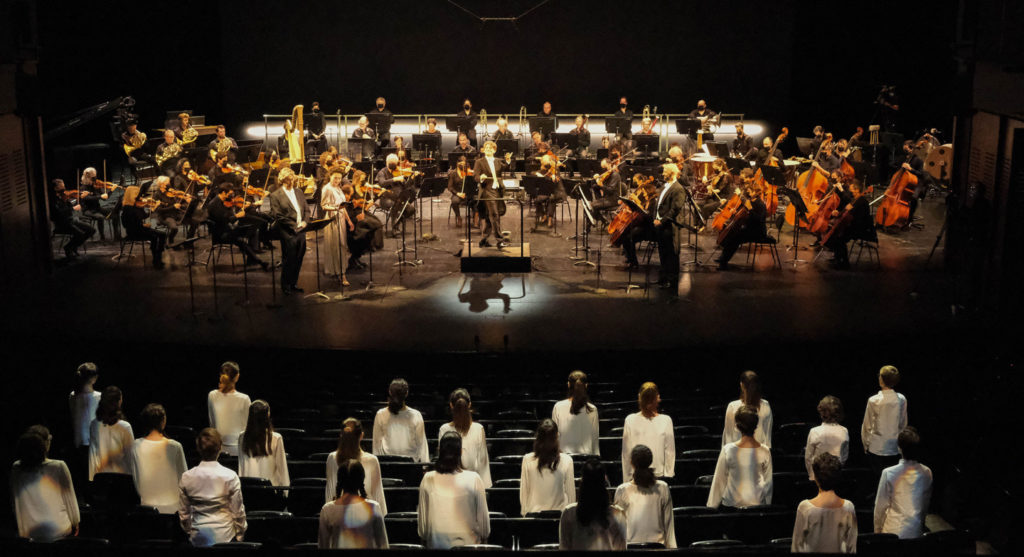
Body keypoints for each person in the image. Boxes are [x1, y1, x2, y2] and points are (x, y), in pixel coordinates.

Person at [417, 431, 490, 549]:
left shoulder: (428, 478)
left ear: (439, 450)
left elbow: (423, 530)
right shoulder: (474, 478)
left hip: (437, 546)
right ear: (461, 452)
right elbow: (484, 528)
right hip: (468, 547)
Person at [178, 428, 247, 546]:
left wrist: (191, 531)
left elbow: (184, 515)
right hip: (226, 536)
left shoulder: (186, 477)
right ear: (220, 447)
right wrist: (240, 535)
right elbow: (238, 512)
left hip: (198, 537)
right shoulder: (230, 476)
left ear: (199, 448)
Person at [10, 426, 80, 542]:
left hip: (27, 534)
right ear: (46, 444)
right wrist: (75, 521)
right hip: (57, 534)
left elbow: (14, 501)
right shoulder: (58, 466)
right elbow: (69, 499)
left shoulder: (16, 468)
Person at [707, 405, 773, 509]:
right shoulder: (765, 451)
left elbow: (719, 480)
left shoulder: (728, 450)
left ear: (737, 426)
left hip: (732, 506)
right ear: (756, 426)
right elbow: (768, 483)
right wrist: (767, 506)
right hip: (756, 506)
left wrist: (712, 506)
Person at [791, 453, 858, 553]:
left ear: (816, 478)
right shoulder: (848, 507)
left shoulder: (804, 507)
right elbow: (852, 546)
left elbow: (796, 546)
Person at [874, 427, 932, 539]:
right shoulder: (927, 472)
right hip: (916, 531)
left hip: (893, 532)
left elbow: (880, 507)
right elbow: (925, 504)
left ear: (899, 448)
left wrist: (877, 531)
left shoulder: (888, 473)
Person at [614, 445, 676, 548]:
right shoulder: (663, 488)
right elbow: (669, 528)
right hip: (654, 549)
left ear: (632, 463)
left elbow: (618, 530)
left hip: (635, 549)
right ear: (650, 461)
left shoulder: (622, 490)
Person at [319, 459, 389, 549]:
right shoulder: (374, 507)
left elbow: (323, 545)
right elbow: (383, 545)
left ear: (340, 480)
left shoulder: (327, 509)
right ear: (362, 480)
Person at [559, 458, 627, 550]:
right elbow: (621, 548)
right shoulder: (618, 514)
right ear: (604, 484)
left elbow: (565, 547)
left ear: (582, 483)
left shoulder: (568, 513)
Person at [131, 403, 187, 513]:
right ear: (163, 421)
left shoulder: (135, 445)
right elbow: (184, 480)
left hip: (146, 507)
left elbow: (134, 477)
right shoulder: (175, 446)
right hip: (173, 509)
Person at [326, 418, 386, 514]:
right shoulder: (332, 458)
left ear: (341, 436)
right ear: (361, 436)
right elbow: (378, 498)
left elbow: (330, 494)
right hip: (355, 515)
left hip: (351, 515)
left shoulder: (332, 458)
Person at [519, 419, 576, 516]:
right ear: (557, 436)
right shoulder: (567, 460)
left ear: (537, 437)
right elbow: (571, 498)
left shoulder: (527, 459)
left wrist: (525, 516)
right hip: (558, 518)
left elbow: (524, 494)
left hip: (535, 517)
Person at [206, 186, 270, 271]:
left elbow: (227, 217)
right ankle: (257, 261)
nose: (232, 196)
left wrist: (237, 213)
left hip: (227, 229)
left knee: (251, 230)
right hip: (221, 234)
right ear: (224, 193)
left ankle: (254, 260)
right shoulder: (214, 204)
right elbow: (224, 220)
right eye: (230, 194)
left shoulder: (220, 201)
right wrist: (236, 216)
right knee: (245, 235)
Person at [438, 389, 492, 488]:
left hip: (450, 483)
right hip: (471, 483)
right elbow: (482, 463)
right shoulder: (478, 429)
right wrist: (484, 488)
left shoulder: (444, 429)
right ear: (470, 404)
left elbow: (441, 460)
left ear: (451, 405)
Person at [622, 382, 675, 482]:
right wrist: (627, 480)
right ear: (657, 398)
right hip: (637, 476)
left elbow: (670, 452)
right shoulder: (630, 420)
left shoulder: (666, 420)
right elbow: (626, 453)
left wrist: (668, 477)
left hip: (658, 476)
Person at [862, 365, 908, 475]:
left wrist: (866, 445)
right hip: (894, 447)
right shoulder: (901, 399)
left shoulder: (874, 400)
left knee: (879, 480)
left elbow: (867, 426)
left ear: (882, 379)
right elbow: (903, 424)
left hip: (876, 448)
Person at [269, 168, 309, 294]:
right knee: (289, 258)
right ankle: (285, 285)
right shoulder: (276, 195)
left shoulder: (298, 192)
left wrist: (305, 222)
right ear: (283, 180)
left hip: (301, 229)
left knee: (299, 257)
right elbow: (278, 215)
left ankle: (293, 283)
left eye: (292, 178)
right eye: (289, 179)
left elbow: (306, 210)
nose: (292, 181)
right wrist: (294, 226)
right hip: (288, 231)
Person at [715, 178, 768, 271]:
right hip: (749, 228)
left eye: (750, 192)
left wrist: (750, 209)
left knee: (735, 238)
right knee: (732, 235)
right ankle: (723, 258)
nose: (749, 194)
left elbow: (759, 220)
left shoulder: (760, 204)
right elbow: (744, 214)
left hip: (758, 231)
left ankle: (723, 261)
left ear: (755, 192)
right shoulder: (751, 201)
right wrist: (735, 212)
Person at [372, 378, 429, 463]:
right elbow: (421, 444)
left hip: (406, 464)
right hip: (391, 463)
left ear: (390, 392)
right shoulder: (381, 414)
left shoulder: (415, 415)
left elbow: (376, 444)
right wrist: (425, 465)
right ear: (406, 393)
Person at [652, 163, 688, 290]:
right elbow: (658, 205)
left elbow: (675, 209)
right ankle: (663, 278)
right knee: (663, 253)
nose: (663, 174)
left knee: (671, 254)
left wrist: (661, 221)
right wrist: (655, 218)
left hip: (669, 226)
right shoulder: (664, 186)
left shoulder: (678, 189)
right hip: (660, 225)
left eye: (665, 172)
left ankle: (671, 281)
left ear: (672, 173)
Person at [238, 400, 290, 487]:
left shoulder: (242, 437)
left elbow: (241, 467)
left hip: (249, 488)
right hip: (270, 490)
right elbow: (282, 469)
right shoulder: (276, 438)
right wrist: (286, 491)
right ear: (267, 415)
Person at [824, 180, 873, 270]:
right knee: (837, 235)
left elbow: (859, 219)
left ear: (857, 190)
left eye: (851, 190)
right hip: (853, 226)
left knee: (839, 238)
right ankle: (838, 258)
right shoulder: (855, 200)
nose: (850, 192)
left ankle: (844, 263)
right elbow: (847, 213)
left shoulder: (862, 201)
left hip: (860, 229)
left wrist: (848, 215)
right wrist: (838, 213)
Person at [207, 361, 252, 457]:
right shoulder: (244, 399)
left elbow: (212, 424)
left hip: (218, 450)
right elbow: (249, 427)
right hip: (239, 450)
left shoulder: (212, 395)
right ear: (237, 377)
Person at [89, 385, 134, 479]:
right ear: (118, 402)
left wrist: (91, 480)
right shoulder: (125, 426)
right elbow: (130, 458)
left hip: (102, 477)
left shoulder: (94, 424)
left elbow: (92, 456)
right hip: (122, 478)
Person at [552, 370, 600, 455]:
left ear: (568, 384)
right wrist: (596, 458)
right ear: (586, 385)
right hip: (585, 458)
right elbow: (594, 437)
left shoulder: (558, 406)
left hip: (564, 458)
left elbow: (554, 436)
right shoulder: (592, 409)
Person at [722, 370, 773, 448]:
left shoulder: (764, 405)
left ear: (741, 385)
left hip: (755, 453)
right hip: (741, 453)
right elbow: (728, 436)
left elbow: (767, 437)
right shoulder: (733, 406)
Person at [120, 185, 167, 269]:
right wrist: (143, 222)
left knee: (163, 234)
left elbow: (144, 216)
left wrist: (152, 209)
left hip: (140, 228)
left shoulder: (137, 205)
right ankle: (156, 260)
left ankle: (158, 255)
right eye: (137, 194)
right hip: (133, 232)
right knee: (154, 237)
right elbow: (127, 224)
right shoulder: (127, 208)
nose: (140, 197)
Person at [320, 169, 354, 286]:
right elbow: (323, 206)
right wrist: (336, 209)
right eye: (335, 178)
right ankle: (341, 274)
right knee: (337, 245)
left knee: (342, 245)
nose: (338, 180)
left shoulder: (338, 188)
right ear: (330, 176)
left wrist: (349, 221)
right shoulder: (327, 189)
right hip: (332, 219)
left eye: (339, 178)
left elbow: (343, 206)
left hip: (340, 218)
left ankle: (340, 270)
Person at [69, 362, 101, 485]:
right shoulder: (98, 397)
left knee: (81, 477)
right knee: (91, 478)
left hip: (77, 441)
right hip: (92, 442)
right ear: (94, 379)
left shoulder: (72, 395)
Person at [805, 395, 849, 481]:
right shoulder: (844, 431)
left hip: (818, 477)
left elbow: (808, 458)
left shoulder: (814, 431)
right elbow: (843, 458)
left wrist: (812, 477)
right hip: (835, 477)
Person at [474, 140, 509, 248]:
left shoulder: (497, 161)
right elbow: (475, 176)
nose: (488, 150)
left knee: (491, 217)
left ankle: (483, 240)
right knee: (494, 215)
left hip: (497, 190)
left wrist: (507, 161)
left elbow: (503, 168)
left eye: (490, 148)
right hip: (487, 191)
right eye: (486, 148)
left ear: (494, 150)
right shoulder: (479, 162)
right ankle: (500, 240)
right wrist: (481, 178)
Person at [50, 179, 95, 258]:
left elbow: (69, 207)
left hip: (71, 220)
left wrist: (72, 201)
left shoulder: (63, 196)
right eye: (62, 186)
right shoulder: (53, 200)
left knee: (91, 230)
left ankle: (74, 246)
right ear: (55, 188)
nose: (64, 188)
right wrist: (73, 208)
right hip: (62, 224)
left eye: (64, 185)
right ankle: (68, 247)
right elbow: (59, 214)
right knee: (80, 234)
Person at [375, 153, 416, 236]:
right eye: (392, 163)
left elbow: (405, 186)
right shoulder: (382, 172)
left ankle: (397, 223)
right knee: (395, 206)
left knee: (411, 209)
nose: (394, 165)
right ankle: (394, 229)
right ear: (387, 163)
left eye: (395, 163)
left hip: (399, 198)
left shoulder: (398, 172)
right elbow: (382, 183)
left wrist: (411, 179)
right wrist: (394, 179)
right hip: (386, 198)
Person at [79, 167, 118, 241]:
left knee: (114, 214)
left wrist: (111, 190)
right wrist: (99, 196)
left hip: (97, 208)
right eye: (93, 177)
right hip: (88, 210)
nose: (95, 179)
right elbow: (87, 198)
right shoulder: (83, 188)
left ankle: (117, 236)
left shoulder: (96, 186)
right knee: (100, 217)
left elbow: (104, 198)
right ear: (88, 177)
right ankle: (102, 237)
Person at [534, 154, 566, 230]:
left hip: (557, 191)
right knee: (537, 200)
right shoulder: (544, 168)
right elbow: (536, 173)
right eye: (545, 166)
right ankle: (544, 215)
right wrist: (537, 174)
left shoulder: (555, 169)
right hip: (546, 191)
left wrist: (553, 177)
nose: (546, 167)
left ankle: (550, 218)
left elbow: (558, 181)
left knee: (552, 198)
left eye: (547, 165)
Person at [447, 156, 472, 228]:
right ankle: (459, 217)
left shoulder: (468, 171)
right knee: (454, 201)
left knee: (476, 200)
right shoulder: (453, 173)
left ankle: (476, 219)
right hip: (457, 193)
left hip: (467, 193)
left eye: (465, 164)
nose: (463, 165)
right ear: (457, 163)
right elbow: (450, 187)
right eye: (461, 163)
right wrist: (458, 193)